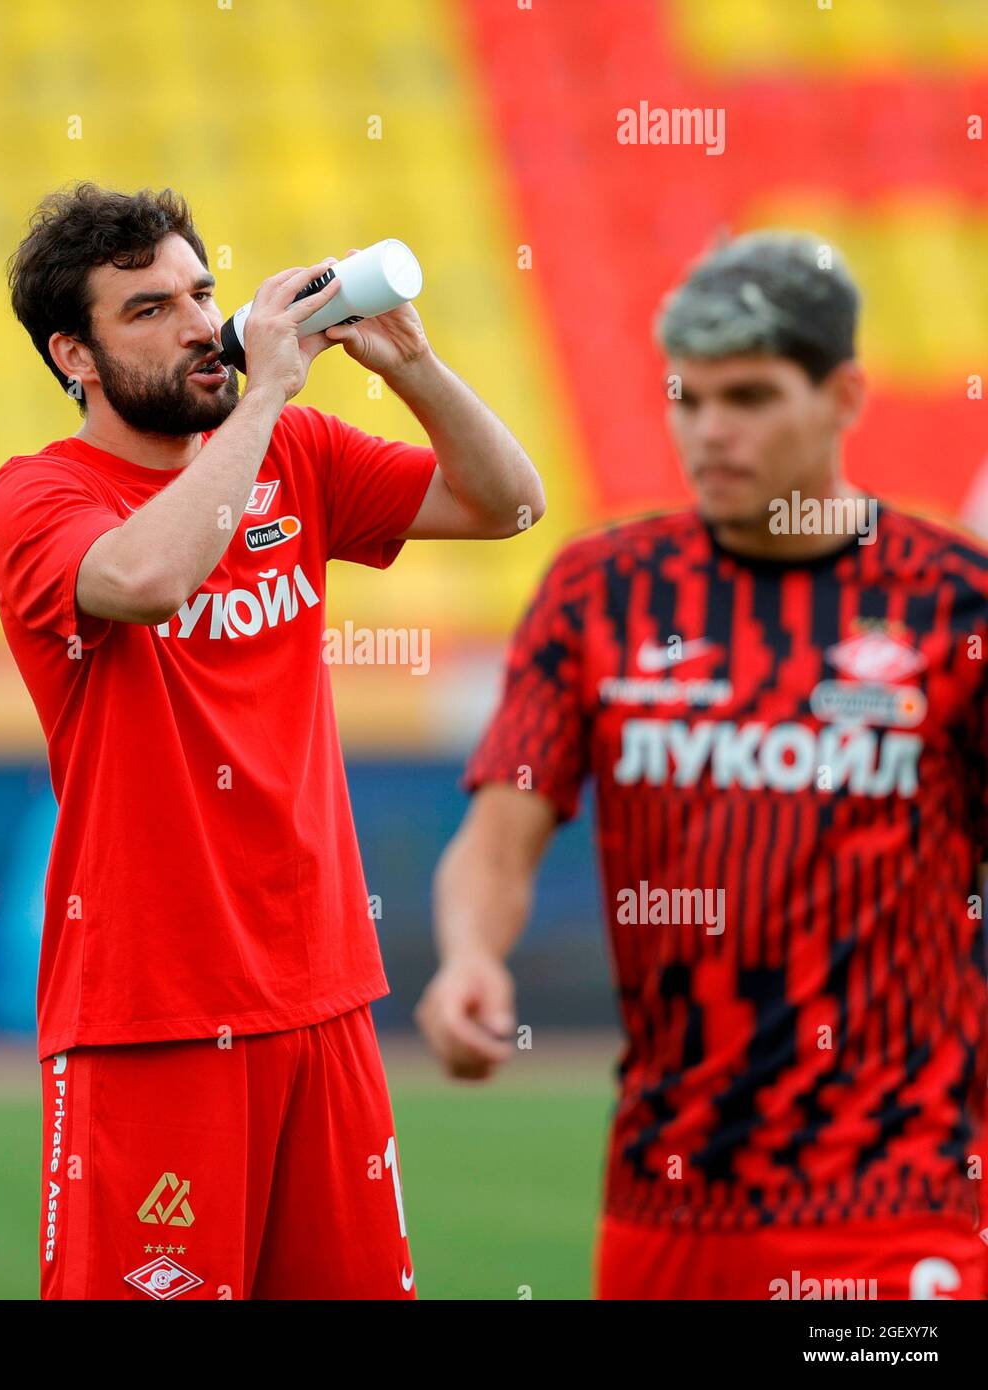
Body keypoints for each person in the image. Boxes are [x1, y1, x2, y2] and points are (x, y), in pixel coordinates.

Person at [0, 183, 545, 1300]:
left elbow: (508, 502)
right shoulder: (40, 495)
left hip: (324, 992)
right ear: (74, 356)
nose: (199, 324)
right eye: (147, 311)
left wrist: (413, 368)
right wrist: (265, 398)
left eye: (200, 293)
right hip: (152, 1011)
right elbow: (146, 580)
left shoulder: (297, 453)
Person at [418, 231, 988, 1300]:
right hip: (665, 1199)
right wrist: (469, 959)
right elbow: (497, 842)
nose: (711, 431)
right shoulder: (600, 593)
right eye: (688, 397)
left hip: (898, 1192)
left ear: (844, 394)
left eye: (751, 397)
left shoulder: (958, 603)